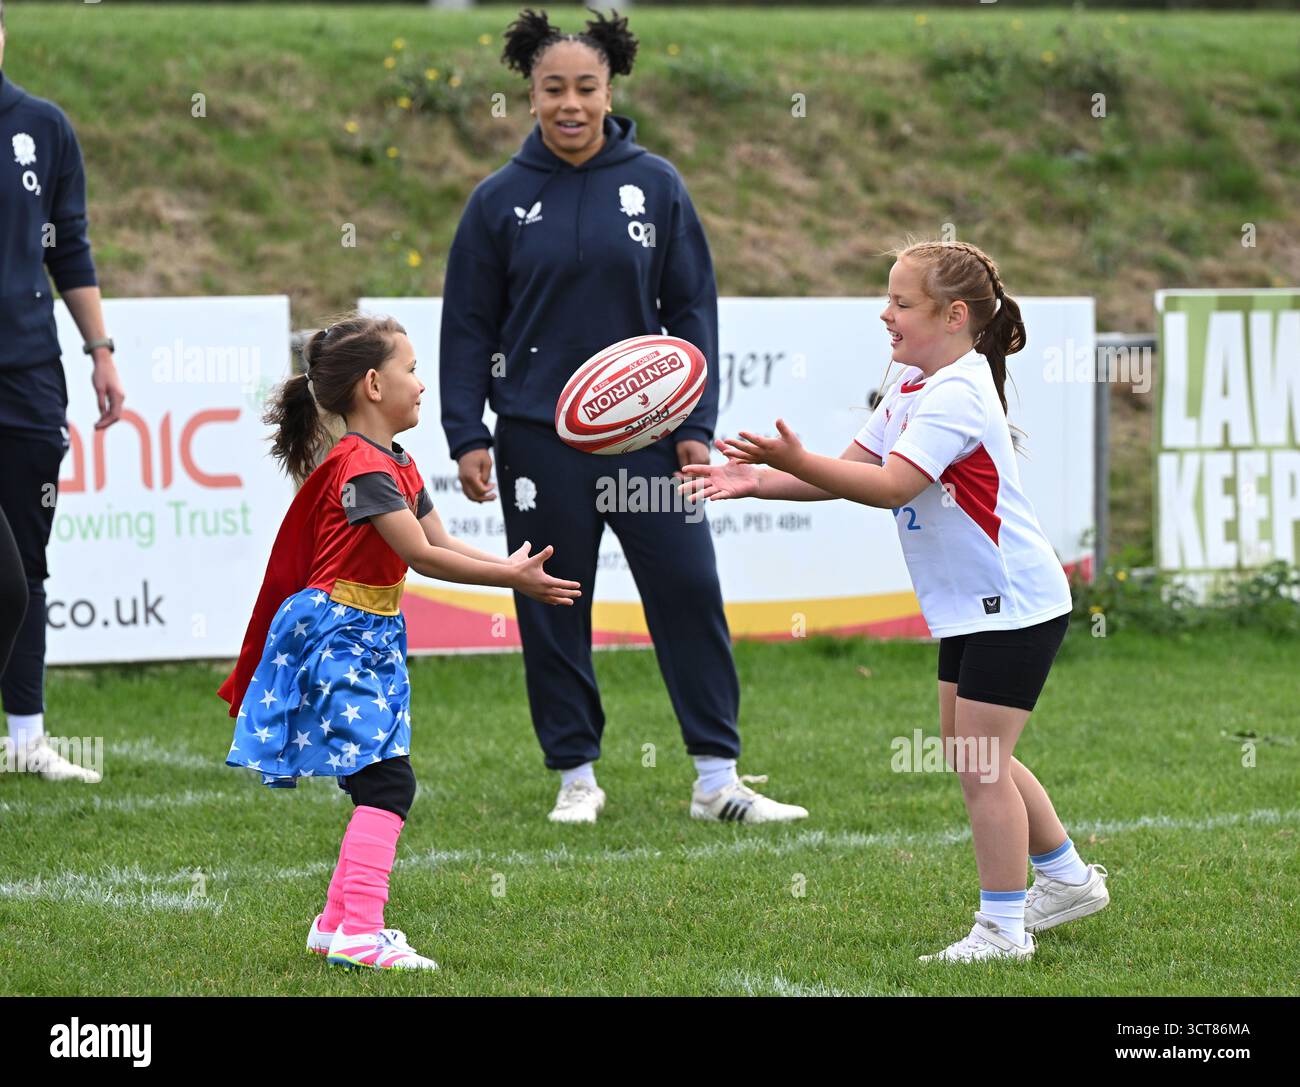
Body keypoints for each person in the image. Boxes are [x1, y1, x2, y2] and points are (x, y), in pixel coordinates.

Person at [682, 241, 1110, 962]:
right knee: (974, 754)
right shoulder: (915, 384)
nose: (885, 314)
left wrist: (787, 459)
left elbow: (891, 488)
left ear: (954, 315)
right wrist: (759, 481)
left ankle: (1002, 931)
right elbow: (851, 471)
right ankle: (1066, 876)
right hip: (979, 604)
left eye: (901, 303)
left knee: (980, 763)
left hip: (1015, 602)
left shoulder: (957, 393)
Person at [440, 7, 807, 825]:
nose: (570, 103)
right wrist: (467, 432)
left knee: (687, 585)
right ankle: (576, 774)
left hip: (648, 443)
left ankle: (717, 779)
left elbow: (693, 311)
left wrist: (694, 427)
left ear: (610, 90)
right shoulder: (498, 201)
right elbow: (466, 324)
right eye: (552, 88)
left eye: (586, 87)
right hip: (538, 442)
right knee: (551, 598)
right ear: (529, 94)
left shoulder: (658, 185)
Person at [217, 314, 579, 971]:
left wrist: (511, 565)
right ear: (374, 384)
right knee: (388, 784)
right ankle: (361, 934)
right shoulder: (361, 467)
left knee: (377, 779)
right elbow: (421, 554)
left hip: (370, 635)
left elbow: (439, 542)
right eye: (411, 369)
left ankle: (336, 925)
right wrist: (509, 578)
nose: (421, 383)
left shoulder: (396, 461)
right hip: (338, 636)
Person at [0, 0, 125, 782]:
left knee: (28, 568)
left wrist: (101, 351)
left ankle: (24, 740)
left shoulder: (43, 127)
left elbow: (68, 246)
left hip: (29, 378)